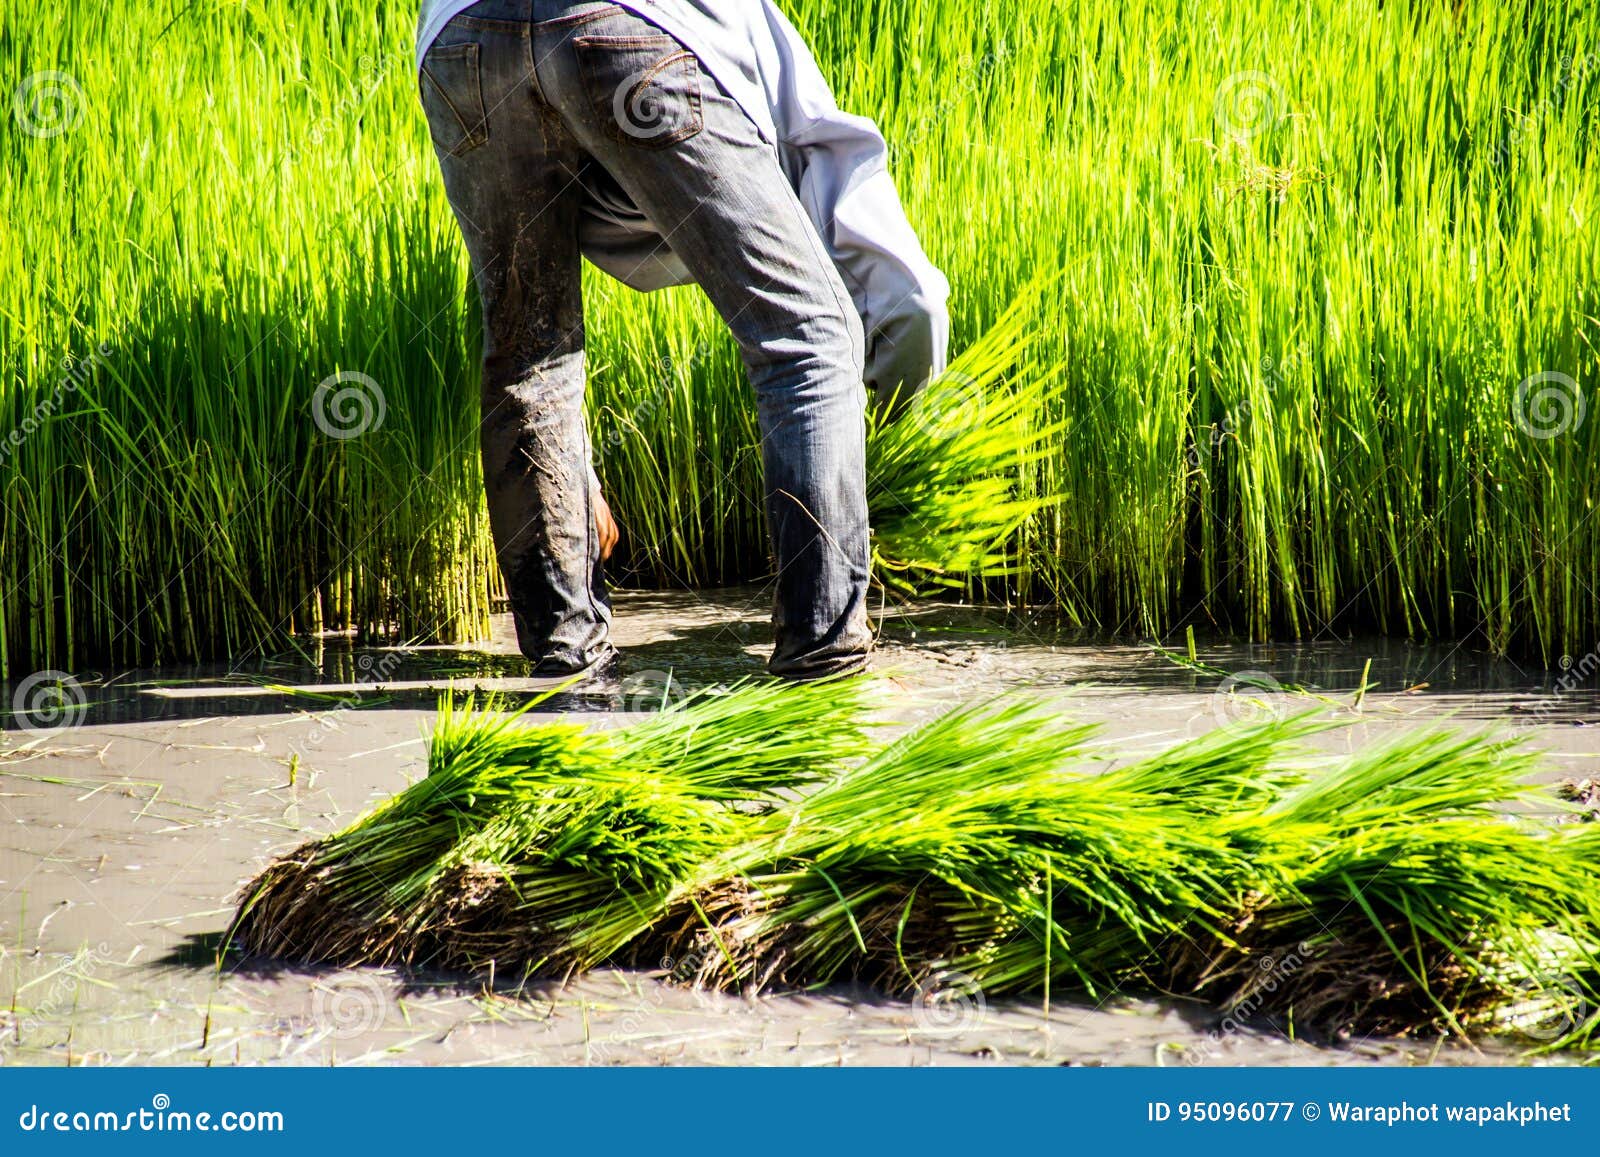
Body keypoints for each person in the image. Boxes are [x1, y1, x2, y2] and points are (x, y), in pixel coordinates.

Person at [415, 0, 949, 679]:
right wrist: (898, 416)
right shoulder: (790, 95)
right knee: (812, 335)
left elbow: (527, 353)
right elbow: (915, 303)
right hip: (632, 25)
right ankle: (824, 660)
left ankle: (566, 672)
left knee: (528, 358)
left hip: (461, 39)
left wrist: (570, 481)